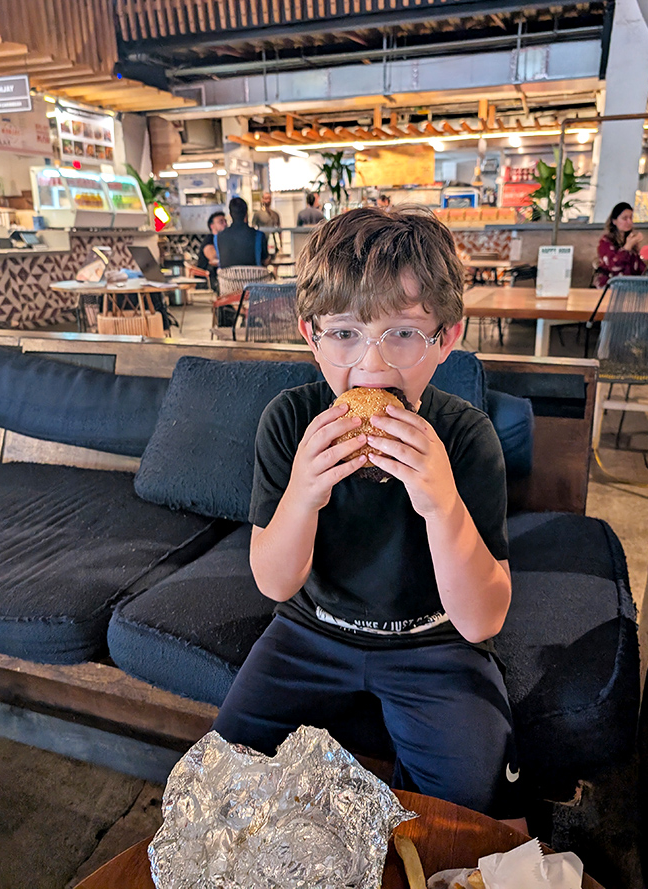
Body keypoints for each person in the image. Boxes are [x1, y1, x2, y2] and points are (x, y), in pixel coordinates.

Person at [213, 207, 525, 828]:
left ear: (447, 339)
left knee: (480, 818)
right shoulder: (289, 421)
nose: (373, 366)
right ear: (310, 333)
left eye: (404, 332)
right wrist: (303, 492)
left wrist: (442, 503)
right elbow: (275, 583)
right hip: (310, 632)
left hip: (433, 643)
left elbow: (482, 618)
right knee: (228, 780)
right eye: (345, 333)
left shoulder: (466, 437)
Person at [593, 202, 647, 288]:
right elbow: (614, 267)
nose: (629, 221)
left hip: (630, 287)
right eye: (625, 218)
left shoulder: (631, 240)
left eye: (631, 218)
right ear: (614, 221)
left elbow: (639, 269)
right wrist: (627, 247)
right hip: (609, 287)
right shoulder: (605, 241)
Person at [214, 197, 270, 269]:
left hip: (227, 279)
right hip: (254, 279)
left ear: (230, 215)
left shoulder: (218, 237)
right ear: (246, 214)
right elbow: (265, 260)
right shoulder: (259, 235)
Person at [196, 210, 227, 292]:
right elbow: (213, 257)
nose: (225, 224)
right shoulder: (209, 239)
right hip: (207, 283)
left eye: (225, 221)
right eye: (221, 222)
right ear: (212, 226)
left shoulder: (223, 239)